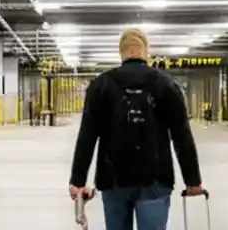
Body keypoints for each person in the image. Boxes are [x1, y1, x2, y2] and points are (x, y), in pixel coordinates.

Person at [69, 28, 205, 230]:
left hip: (113, 179)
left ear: (121, 52)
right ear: (146, 51)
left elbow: (87, 135)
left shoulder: (100, 85)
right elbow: (181, 135)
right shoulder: (167, 85)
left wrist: (77, 180)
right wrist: (193, 180)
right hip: (155, 180)